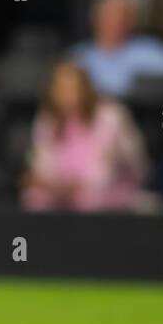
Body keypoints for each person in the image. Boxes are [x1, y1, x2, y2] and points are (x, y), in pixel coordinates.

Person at [21, 59, 148, 212]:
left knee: (90, 200)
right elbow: (43, 164)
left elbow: (105, 173)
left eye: (73, 87)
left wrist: (68, 186)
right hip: (61, 189)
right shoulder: (47, 119)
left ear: (86, 87)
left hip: (110, 188)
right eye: (61, 88)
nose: (67, 94)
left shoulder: (110, 116)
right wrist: (43, 180)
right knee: (35, 198)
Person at [67, 0, 163, 99]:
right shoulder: (78, 58)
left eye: (122, 15)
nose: (116, 22)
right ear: (94, 18)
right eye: (109, 15)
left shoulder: (156, 54)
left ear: (133, 20)